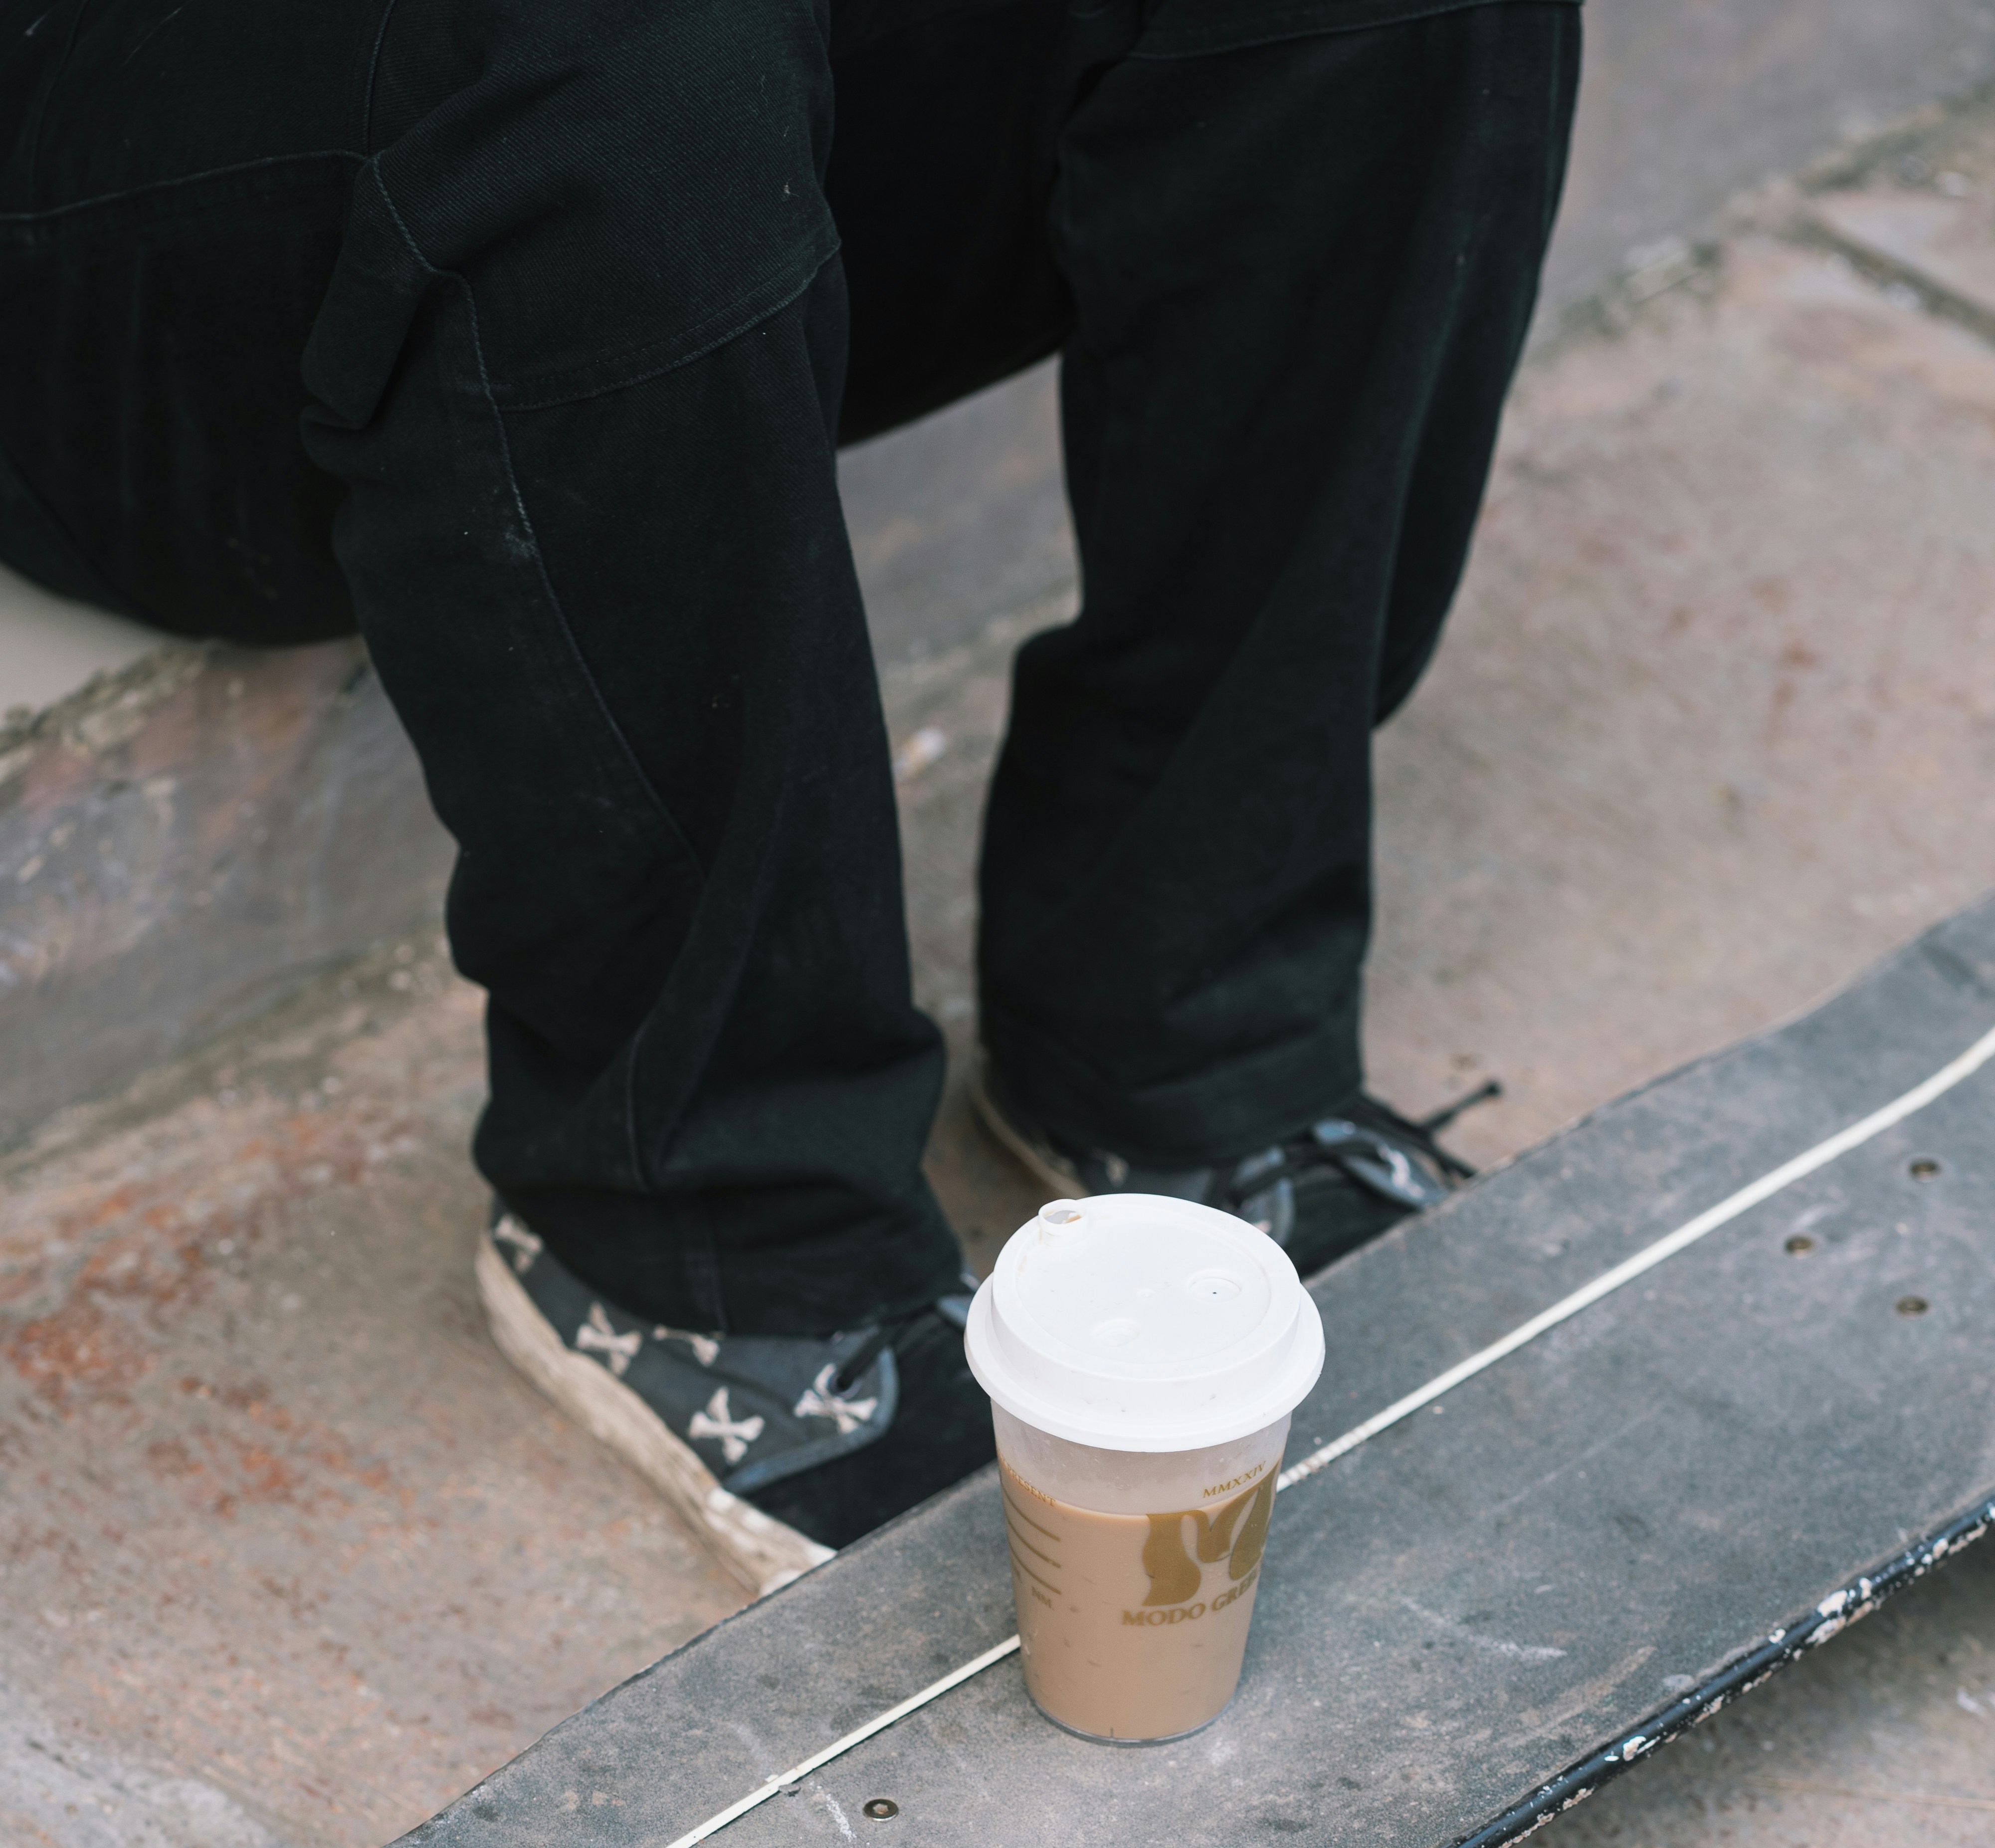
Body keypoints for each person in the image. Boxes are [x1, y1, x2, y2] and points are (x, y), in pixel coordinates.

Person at [0, 0, 1579, 1590]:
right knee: (612, 54)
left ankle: (1185, 1032)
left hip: (728, 125)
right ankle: (721, 1235)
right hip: (149, 209)